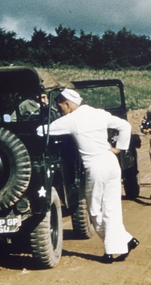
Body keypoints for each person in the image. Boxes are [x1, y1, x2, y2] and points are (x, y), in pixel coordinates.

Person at [37, 88, 139, 264]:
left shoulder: (71, 120)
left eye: (60, 106)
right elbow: (125, 126)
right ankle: (125, 241)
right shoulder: (98, 113)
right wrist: (119, 149)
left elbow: (41, 131)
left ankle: (111, 250)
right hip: (111, 162)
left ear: (67, 104)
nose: (60, 110)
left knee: (95, 210)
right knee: (112, 208)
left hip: (95, 166)